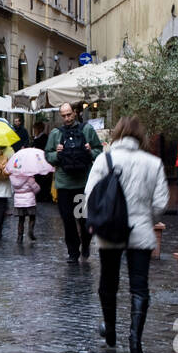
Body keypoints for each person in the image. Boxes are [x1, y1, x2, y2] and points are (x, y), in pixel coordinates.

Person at [84, 115, 169, 353]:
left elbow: (90, 195)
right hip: (141, 231)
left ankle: (110, 331)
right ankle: (135, 341)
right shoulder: (153, 162)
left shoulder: (104, 159)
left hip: (110, 230)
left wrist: (100, 219)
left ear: (117, 134)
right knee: (139, 286)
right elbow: (161, 202)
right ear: (140, 136)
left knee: (108, 283)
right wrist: (145, 218)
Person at [45, 103, 102, 261]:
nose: (67, 118)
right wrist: (56, 154)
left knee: (83, 219)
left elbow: (99, 151)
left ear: (75, 113)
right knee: (67, 219)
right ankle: (73, 252)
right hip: (64, 185)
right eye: (63, 115)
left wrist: (91, 150)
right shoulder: (56, 133)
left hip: (81, 184)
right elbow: (47, 155)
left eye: (69, 114)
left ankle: (85, 243)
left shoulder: (87, 130)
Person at [9, 156, 40, 243]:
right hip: (29, 200)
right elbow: (36, 188)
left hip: (18, 201)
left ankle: (19, 237)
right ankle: (30, 231)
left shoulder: (13, 177)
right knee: (32, 217)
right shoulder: (29, 177)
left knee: (21, 220)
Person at [32, 119, 52, 203]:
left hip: (41, 161)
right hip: (37, 161)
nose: (34, 131)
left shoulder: (43, 137)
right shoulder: (37, 137)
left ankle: (42, 196)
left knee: (42, 179)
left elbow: (41, 148)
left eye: (35, 129)